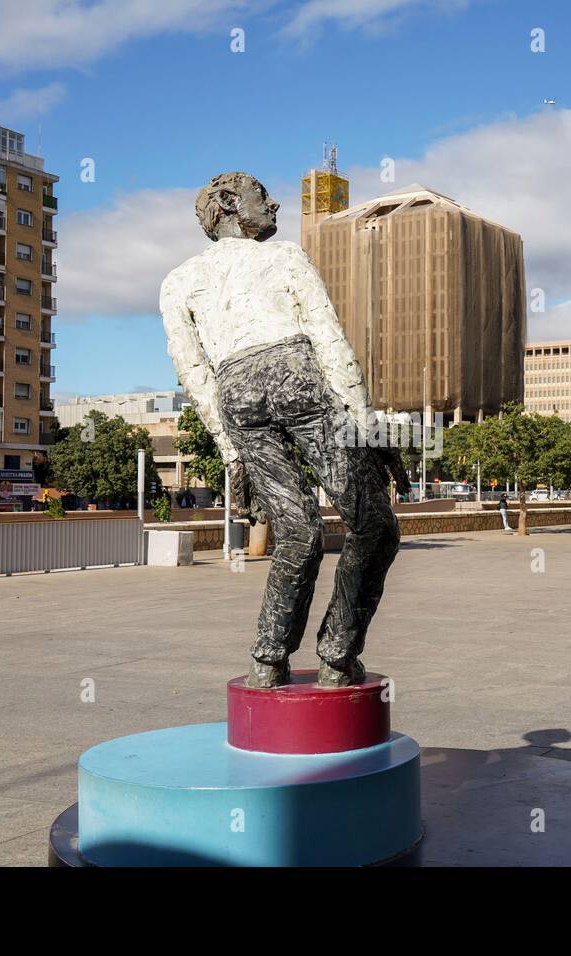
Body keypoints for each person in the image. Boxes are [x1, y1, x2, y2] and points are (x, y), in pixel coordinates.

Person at [160, 172, 410, 688]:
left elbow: (195, 374)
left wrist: (232, 451)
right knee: (374, 527)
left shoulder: (177, 281)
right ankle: (338, 655)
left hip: (236, 394)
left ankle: (268, 659)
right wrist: (366, 428)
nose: (274, 203)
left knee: (297, 532)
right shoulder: (286, 257)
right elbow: (329, 340)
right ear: (230, 203)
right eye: (261, 195)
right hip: (296, 376)